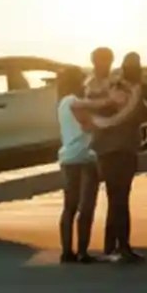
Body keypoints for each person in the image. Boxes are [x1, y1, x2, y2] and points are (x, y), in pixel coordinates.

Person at [91, 52, 147, 264]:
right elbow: (137, 117)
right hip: (123, 151)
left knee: (114, 199)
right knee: (121, 200)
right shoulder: (134, 90)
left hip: (106, 151)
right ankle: (122, 247)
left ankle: (111, 245)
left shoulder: (112, 86)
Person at [56, 66, 107, 264]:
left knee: (69, 206)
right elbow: (88, 123)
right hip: (84, 157)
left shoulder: (61, 103)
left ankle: (67, 251)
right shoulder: (73, 101)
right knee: (86, 207)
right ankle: (83, 252)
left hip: (67, 158)